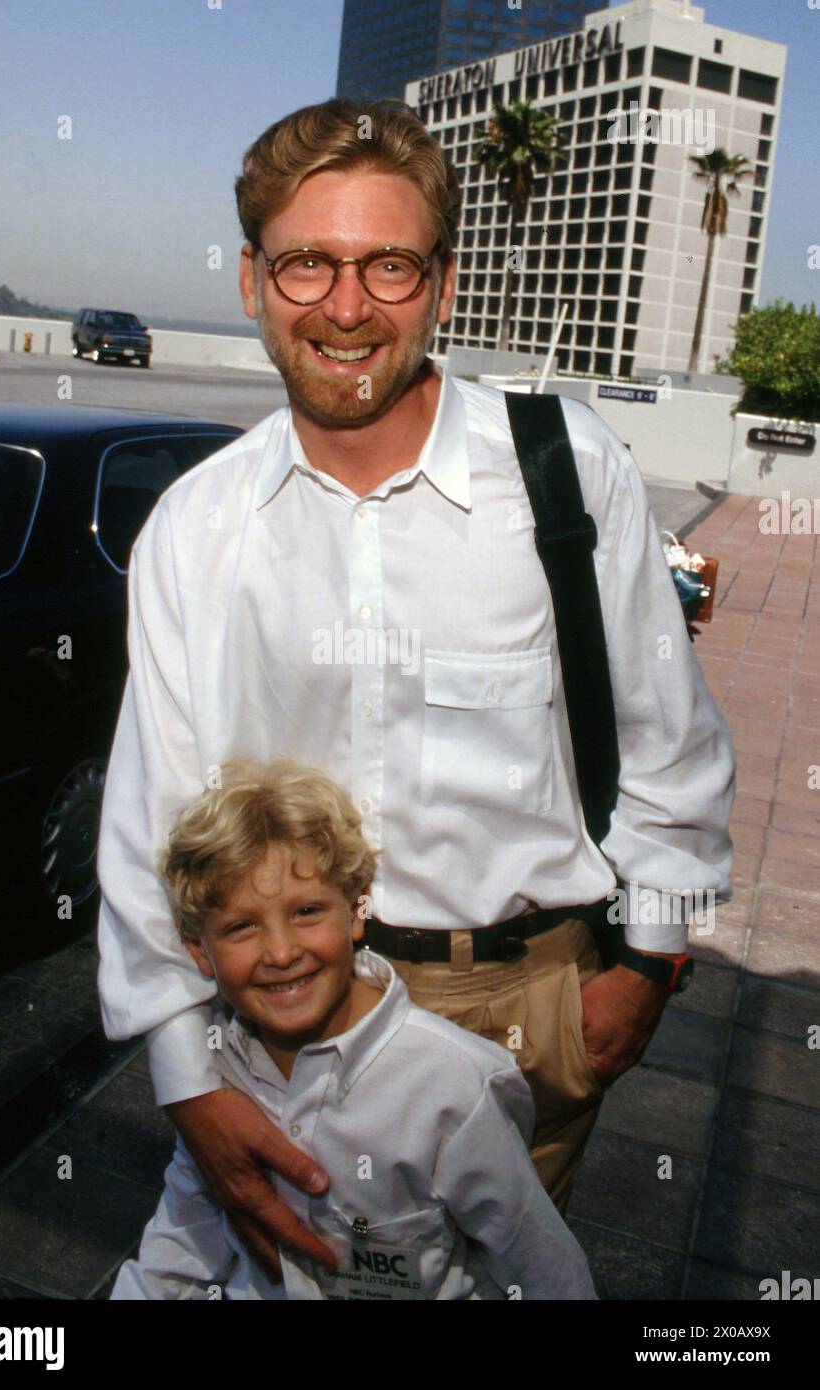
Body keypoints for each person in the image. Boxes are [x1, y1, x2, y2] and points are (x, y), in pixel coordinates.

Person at [96, 97, 735, 1282]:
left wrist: (643, 969)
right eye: (307, 264)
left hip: (528, 1004)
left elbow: (670, 746)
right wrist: (186, 1077)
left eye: (387, 264)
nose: (346, 308)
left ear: (439, 281)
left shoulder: (564, 470)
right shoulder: (197, 529)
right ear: (250, 280)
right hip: (275, 1021)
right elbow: (156, 819)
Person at [110, 758, 596, 1301]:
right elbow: (177, 1252)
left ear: (358, 908)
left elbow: (543, 1269)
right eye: (241, 926)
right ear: (199, 949)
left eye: (307, 911)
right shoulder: (215, 1074)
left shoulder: (455, 1084)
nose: (281, 952)